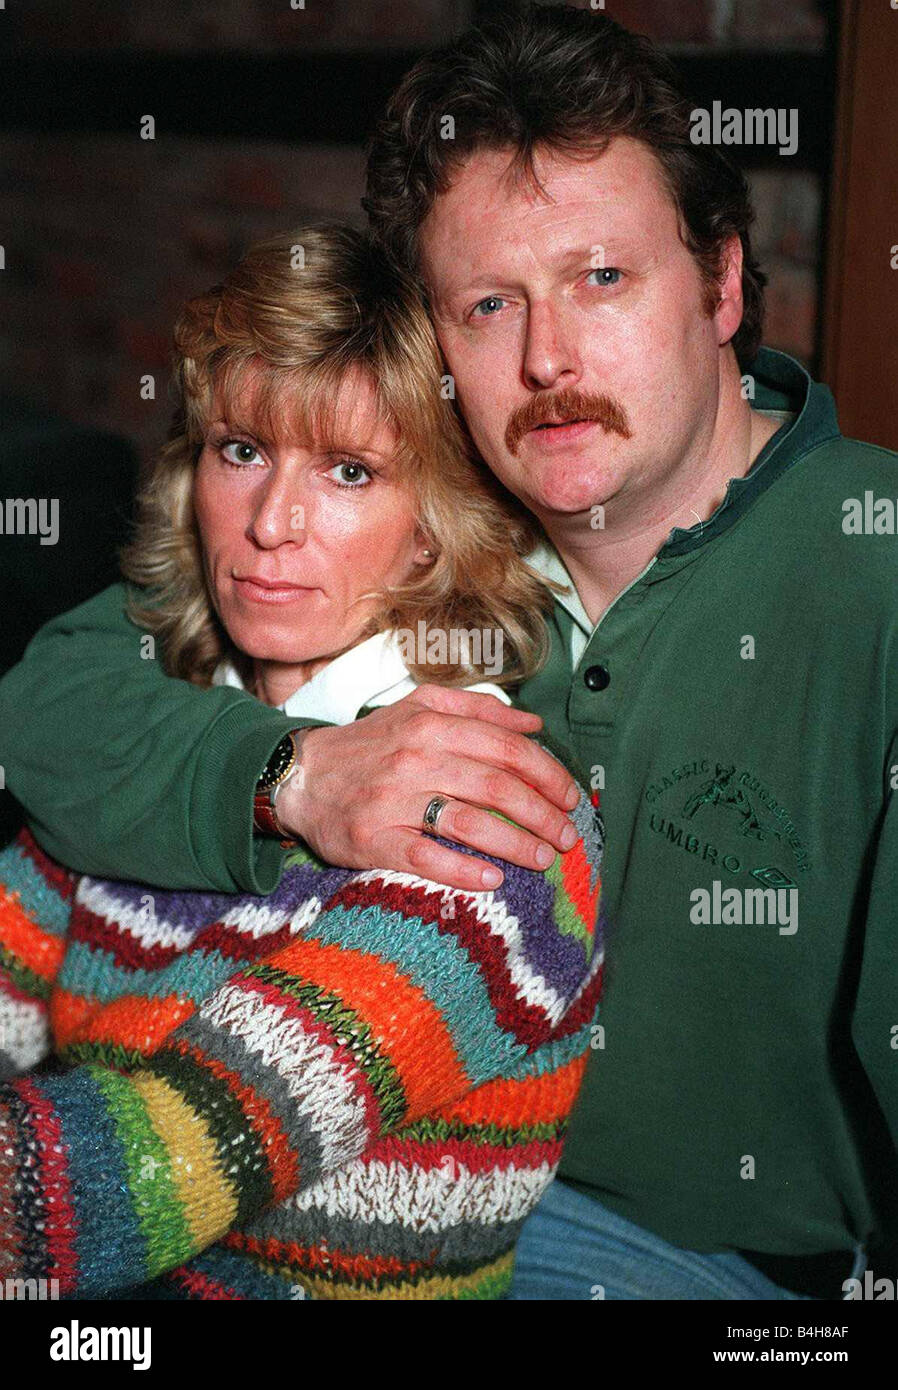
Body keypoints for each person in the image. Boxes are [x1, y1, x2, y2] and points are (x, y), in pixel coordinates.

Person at [1, 3, 895, 1300]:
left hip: (683, 1254)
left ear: (718, 283)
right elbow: (55, 698)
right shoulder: (428, 521)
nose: (545, 358)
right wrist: (296, 776)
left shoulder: (867, 563)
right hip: (340, 1168)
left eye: (601, 278)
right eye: (487, 303)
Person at [0, 223, 604, 1301]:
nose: (271, 523)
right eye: (241, 450)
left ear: (434, 527)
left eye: (349, 470)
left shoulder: (492, 822)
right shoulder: (158, 741)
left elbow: (138, 1174)